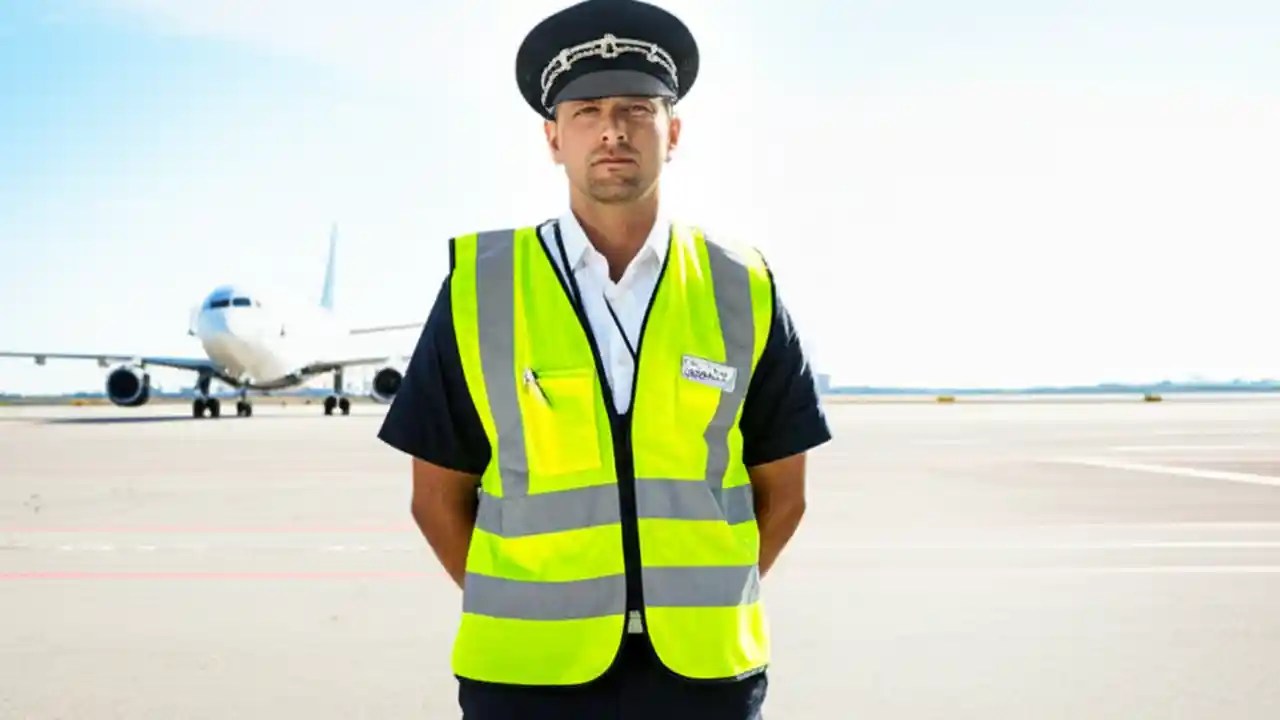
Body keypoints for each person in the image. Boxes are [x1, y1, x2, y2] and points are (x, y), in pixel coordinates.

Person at [377, 0, 831, 717]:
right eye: (586, 111)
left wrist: (702, 599)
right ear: (553, 138)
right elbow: (435, 496)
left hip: (703, 678)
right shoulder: (482, 285)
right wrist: (535, 608)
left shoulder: (741, 284)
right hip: (526, 678)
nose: (613, 130)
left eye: (636, 109)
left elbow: (786, 491)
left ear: (672, 131)